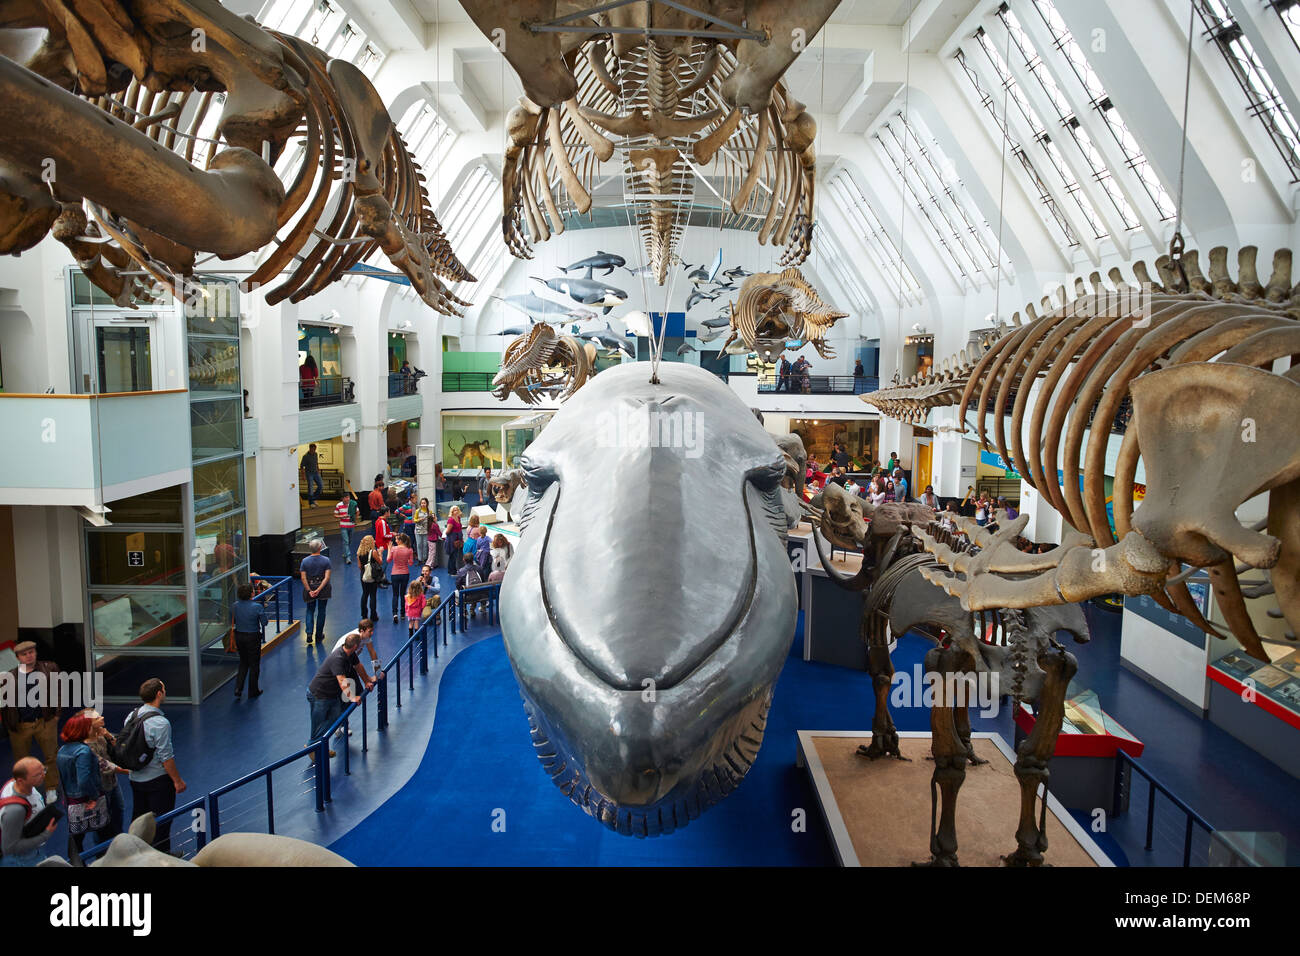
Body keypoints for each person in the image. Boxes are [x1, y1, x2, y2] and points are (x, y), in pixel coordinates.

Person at [126, 679, 185, 855]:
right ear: (159, 693)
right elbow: (166, 758)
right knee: (162, 821)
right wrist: (177, 781)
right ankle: (162, 856)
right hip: (157, 781)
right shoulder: (161, 723)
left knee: (139, 819)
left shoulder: (131, 716)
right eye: (164, 688)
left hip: (135, 778)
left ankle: (138, 855)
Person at [2, 641, 63, 803]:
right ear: (17, 657)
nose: (29, 656)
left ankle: (51, 788)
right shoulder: (9, 676)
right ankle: (27, 790)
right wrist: (10, 724)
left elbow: (59, 690)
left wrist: (56, 715)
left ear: (36, 652)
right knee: (22, 761)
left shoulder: (49, 668)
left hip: (45, 721)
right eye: (24, 654)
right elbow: (5, 704)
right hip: (21, 725)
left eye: (31, 652)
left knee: (51, 755)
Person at [306, 633, 370, 761]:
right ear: (356, 646)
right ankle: (312, 748)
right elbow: (341, 680)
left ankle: (317, 745)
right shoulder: (338, 658)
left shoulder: (351, 654)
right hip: (319, 694)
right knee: (318, 724)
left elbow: (359, 667)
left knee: (336, 718)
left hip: (331, 694)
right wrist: (352, 697)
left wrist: (367, 680)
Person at [56, 713, 109, 859]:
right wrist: (93, 796)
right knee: (104, 833)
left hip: (70, 801)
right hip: (86, 800)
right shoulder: (83, 751)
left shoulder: (62, 750)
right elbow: (84, 780)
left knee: (76, 838)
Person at [0, 758, 57, 866]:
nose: (43, 776)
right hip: (23, 858)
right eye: (37, 775)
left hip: (34, 850)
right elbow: (9, 848)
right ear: (21, 780)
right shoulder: (14, 810)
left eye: (43, 770)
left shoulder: (25, 786)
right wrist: (46, 834)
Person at [80, 710, 127, 842]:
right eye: (97, 718)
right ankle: (103, 851)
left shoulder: (101, 735)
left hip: (112, 783)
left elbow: (119, 748)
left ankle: (119, 840)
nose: (102, 717)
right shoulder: (85, 746)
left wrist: (108, 736)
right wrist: (127, 771)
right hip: (100, 788)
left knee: (119, 810)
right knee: (102, 821)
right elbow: (103, 765)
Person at [231, 582, 269, 699]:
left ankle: (238, 688)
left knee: (243, 662)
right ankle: (253, 691)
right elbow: (264, 623)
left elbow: (232, 620)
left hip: (239, 636)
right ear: (251, 593)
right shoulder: (257, 607)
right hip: (253, 637)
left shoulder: (235, 605)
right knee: (254, 664)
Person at [299, 540, 332, 646]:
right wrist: (319, 589)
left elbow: (303, 578)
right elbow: (327, 577)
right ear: (320, 547)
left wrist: (310, 590)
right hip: (323, 590)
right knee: (321, 611)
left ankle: (309, 633)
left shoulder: (304, 561)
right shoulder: (326, 560)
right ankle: (318, 634)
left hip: (310, 589)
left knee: (310, 610)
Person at [388, 533, 416, 625]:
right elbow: (411, 563)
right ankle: (403, 613)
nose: (395, 541)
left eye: (396, 539)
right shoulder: (409, 550)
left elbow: (388, 560)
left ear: (400, 540)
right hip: (405, 574)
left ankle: (395, 614)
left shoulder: (393, 549)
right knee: (403, 593)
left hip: (395, 574)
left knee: (395, 594)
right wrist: (406, 559)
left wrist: (389, 549)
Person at [356, 534, 383, 622]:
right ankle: (373, 615)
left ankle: (364, 615)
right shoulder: (373, 552)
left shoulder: (359, 552)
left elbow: (359, 566)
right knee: (373, 595)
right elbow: (380, 562)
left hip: (363, 575)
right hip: (372, 575)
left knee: (364, 594)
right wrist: (381, 553)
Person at [334, 492, 358, 563]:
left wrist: (354, 518)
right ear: (342, 498)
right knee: (346, 541)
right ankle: (348, 557)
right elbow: (335, 515)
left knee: (349, 541)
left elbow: (357, 512)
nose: (348, 499)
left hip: (351, 525)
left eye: (349, 497)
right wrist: (342, 516)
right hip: (343, 526)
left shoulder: (353, 504)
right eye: (346, 497)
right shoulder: (338, 505)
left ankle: (345, 552)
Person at [300, 442, 323, 506]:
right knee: (311, 488)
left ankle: (313, 499)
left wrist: (318, 469)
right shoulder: (305, 456)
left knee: (321, 485)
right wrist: (303, 475)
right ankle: (311, 503)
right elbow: (302, 466)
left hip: (316, 473)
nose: (314, 451)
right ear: (310, 448)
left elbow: (316, 462)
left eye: (315, 449)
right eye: (313, 449)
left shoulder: (315, 454)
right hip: (309, 473)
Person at [445, 506, 464, 575]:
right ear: (452, 512)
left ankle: (453, 569)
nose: (456, 511)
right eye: (454, 510)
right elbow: (447, 531)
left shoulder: (458, 518)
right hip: (452, 540)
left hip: (458, 539)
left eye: (457, 510)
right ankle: (451, 571)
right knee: (452, 555)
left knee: (455, 555)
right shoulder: (451, 520)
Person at [413, 497, 432, 564]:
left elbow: (430, 521)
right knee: (419, 544)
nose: (423, 504)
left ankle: (425, 558)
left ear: (427, 504)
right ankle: (419, 559)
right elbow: (414, 520)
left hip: (426, 531)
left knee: (425, 545)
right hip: (418, 530)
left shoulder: (429, 511)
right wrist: (419, 520)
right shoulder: (417, 511)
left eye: (424, 503)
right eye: (422, 503)